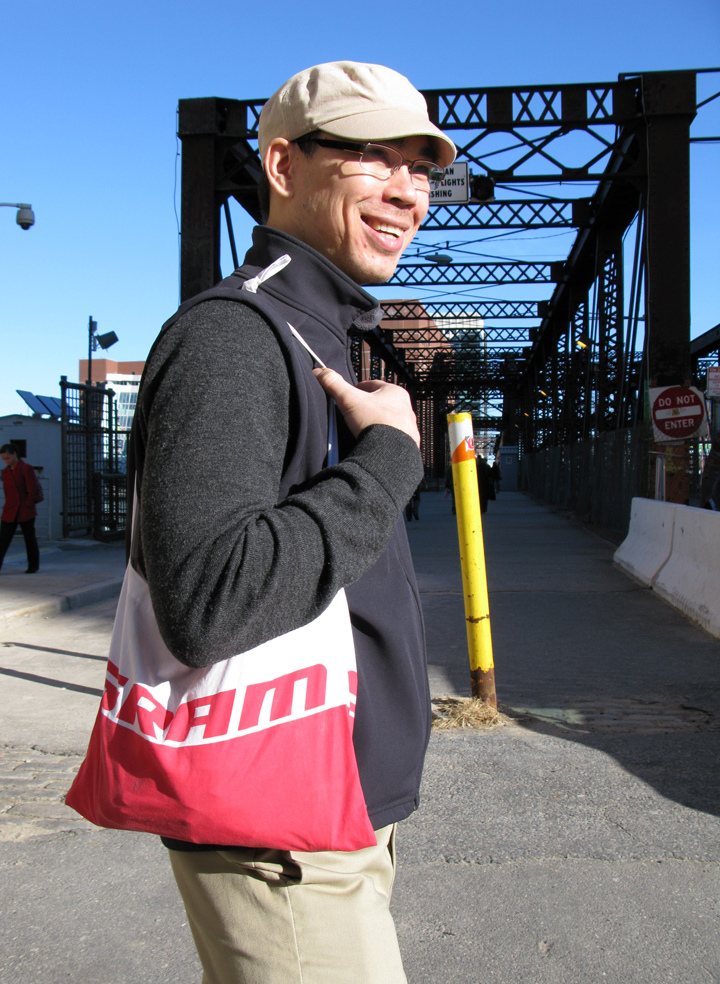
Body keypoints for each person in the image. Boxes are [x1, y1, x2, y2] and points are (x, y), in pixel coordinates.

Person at [126, 62, 456, 984]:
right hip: (279, 822)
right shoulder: (234, 335)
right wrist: (388, 460)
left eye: (421, 168)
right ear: (282, 165)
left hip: (333, 807)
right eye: (374, 157)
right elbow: (210, 600)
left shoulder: (320, 334)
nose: (408, 192)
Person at [0, 443, 42, 574]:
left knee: (29, 539)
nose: (6, 461)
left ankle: (33, 566)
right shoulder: (5, 472)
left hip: (25, 509)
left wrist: (28, 504)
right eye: (3, 459)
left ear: (14, 454)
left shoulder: (26, 469)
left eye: (8, 458)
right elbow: (7, 493)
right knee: (3, 540)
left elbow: (32, 490)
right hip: (10, 510)